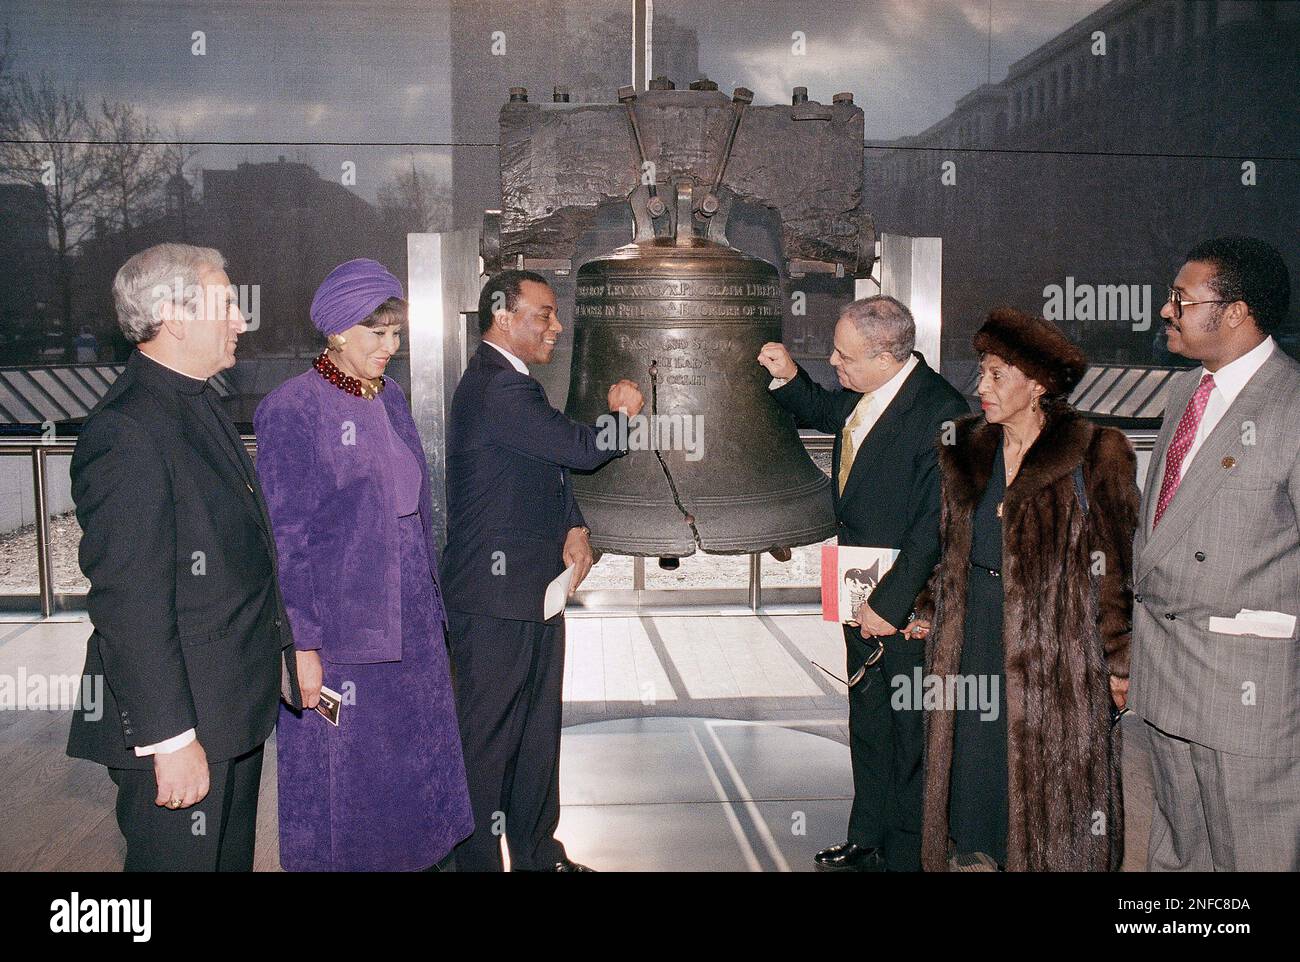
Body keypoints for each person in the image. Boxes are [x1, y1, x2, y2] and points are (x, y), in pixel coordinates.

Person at [67, 243, 299, 871]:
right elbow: (129, 604)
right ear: (173, 315)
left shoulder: (194, 401)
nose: (241, 321)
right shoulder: (128, 430)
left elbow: (246, 558)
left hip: (227, 711)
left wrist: (286, 647)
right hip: (182, 726)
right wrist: (170, 740)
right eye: (227, 303)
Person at [254, 259, 473, 871]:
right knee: (350, 795)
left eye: (396, 334)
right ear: (337, 332)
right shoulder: (292, 409)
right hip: (344, 637)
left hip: (414, 627)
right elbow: (286, 539)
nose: (391, 347)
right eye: (377, 335)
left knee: (417, 788)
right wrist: (302, 644)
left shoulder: (390, 396)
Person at [905, 309, 1137, 871]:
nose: (980, 386)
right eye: (981, 372)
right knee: (974, 773)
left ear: (1039, 384)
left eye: (996, 373)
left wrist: (1120, 661)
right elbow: (950, 547)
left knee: (1049, 784)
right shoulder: (963, 447)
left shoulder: (1095, 452)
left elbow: (1115, 569)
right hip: (972, 637)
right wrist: (930, 608)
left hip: (1057, 653)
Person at [757, 294, 968, 872]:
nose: (834, 362)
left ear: (885, 354)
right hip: (859, 592)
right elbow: (831, 415)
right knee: (869, 723)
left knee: (910, 738)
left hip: (904, 605)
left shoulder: (942, 413)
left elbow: (936, 524)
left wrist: (890, 603)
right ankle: (867, 837)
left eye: (844, 355)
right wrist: (790, 378)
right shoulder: (869, 391)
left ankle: (908, 852)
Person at [442, 269, 643, 871]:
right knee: (486, 745)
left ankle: (536, 855)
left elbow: (542, 465)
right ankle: (473, 863)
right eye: (544, 314)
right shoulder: (500, 387)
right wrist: (622, 412)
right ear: (503, 317)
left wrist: (574, 523)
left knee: (533, 735)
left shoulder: (510, 385)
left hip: (532, 592)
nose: (557, 326)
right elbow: (580, 450)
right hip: (494, 601)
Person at [1129, 236, 1299, 871]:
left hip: (1248, 690)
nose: (1167, 309)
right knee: (1178, 854)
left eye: (1182, 298)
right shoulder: (1183, 395)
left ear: (1235, 312)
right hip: (1168, 677)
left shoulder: (1293, 406)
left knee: (1250, 859)